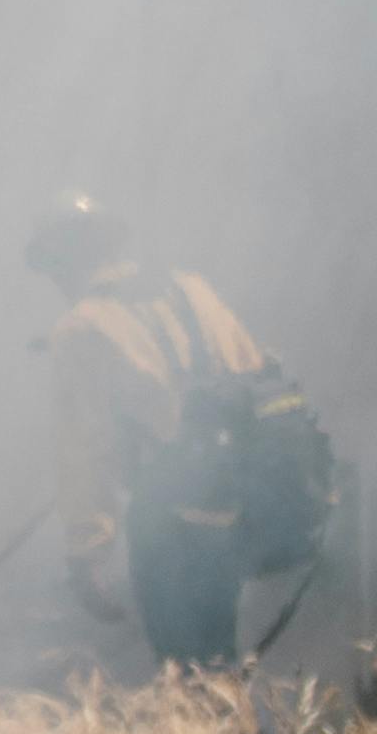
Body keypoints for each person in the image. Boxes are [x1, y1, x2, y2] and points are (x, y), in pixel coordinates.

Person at [23, 194, 309, 668]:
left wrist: (87, 549)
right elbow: (254, 375)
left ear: (60, 263)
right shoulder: (192, 289)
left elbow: (83, 451)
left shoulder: (79, 329)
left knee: (189, 664)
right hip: (251, 502)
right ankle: (231, 730)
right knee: (222, 655)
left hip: (176, 516)